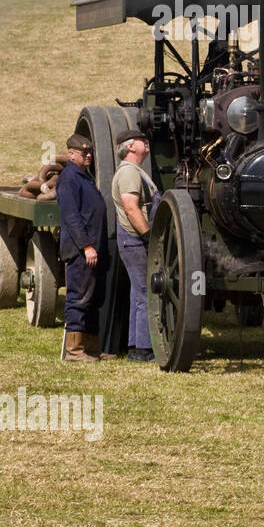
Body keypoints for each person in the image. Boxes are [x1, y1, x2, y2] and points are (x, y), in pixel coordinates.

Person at [56, 134, 109, 361]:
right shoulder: (69, 178)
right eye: (83, 152)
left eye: (90, 152)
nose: (88, 155)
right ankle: (74, 351)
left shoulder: (84, 176)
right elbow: (72, 217)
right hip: (81, 251)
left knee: (93, 298)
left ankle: (91, 347)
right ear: (71, 154)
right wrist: (87, 246)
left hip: (93, 250)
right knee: (78, 297)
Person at [111, 129, 159, 362]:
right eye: (142, 140)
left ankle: (135, 346)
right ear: (130, 147)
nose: (145, 142)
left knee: (138, 292)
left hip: (132, 240)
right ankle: (143, 350)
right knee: (144, 293)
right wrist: (148, 236)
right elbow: (131, 207)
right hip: (135, 240)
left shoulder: (134, 171)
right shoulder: (129, 172)